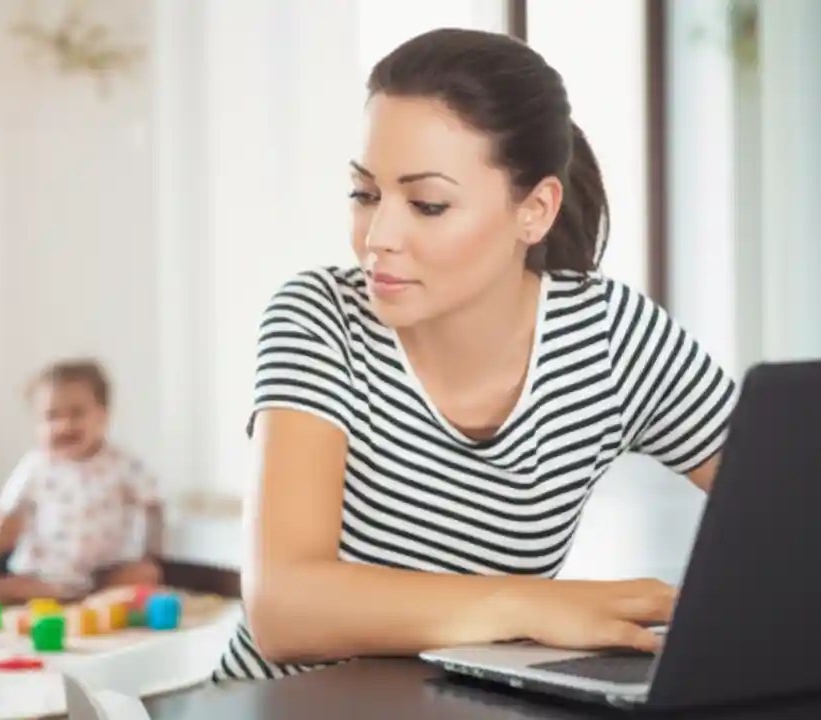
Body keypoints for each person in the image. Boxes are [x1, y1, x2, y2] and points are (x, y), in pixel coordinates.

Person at [214, 28, 736, 681]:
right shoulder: (320, 318)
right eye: (365, 193)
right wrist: (533, 604)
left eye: (427, 204)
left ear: (536, 210)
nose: (378, 237)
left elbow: (799, 499)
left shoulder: (610, 338)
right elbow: (284, 607)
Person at [0, 359, 163, 603]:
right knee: (12, 586)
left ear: (103, 416)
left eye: (77, 413)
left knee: (146, 575)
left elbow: (152, 506)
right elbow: (7, 514)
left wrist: (149, 554)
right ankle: (41, 593)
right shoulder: (35, 465)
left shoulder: (122, 463)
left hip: (104, 572)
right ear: (37, 424)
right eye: (51, 416)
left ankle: (91, 596)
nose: (64, 425)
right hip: (45, 572)